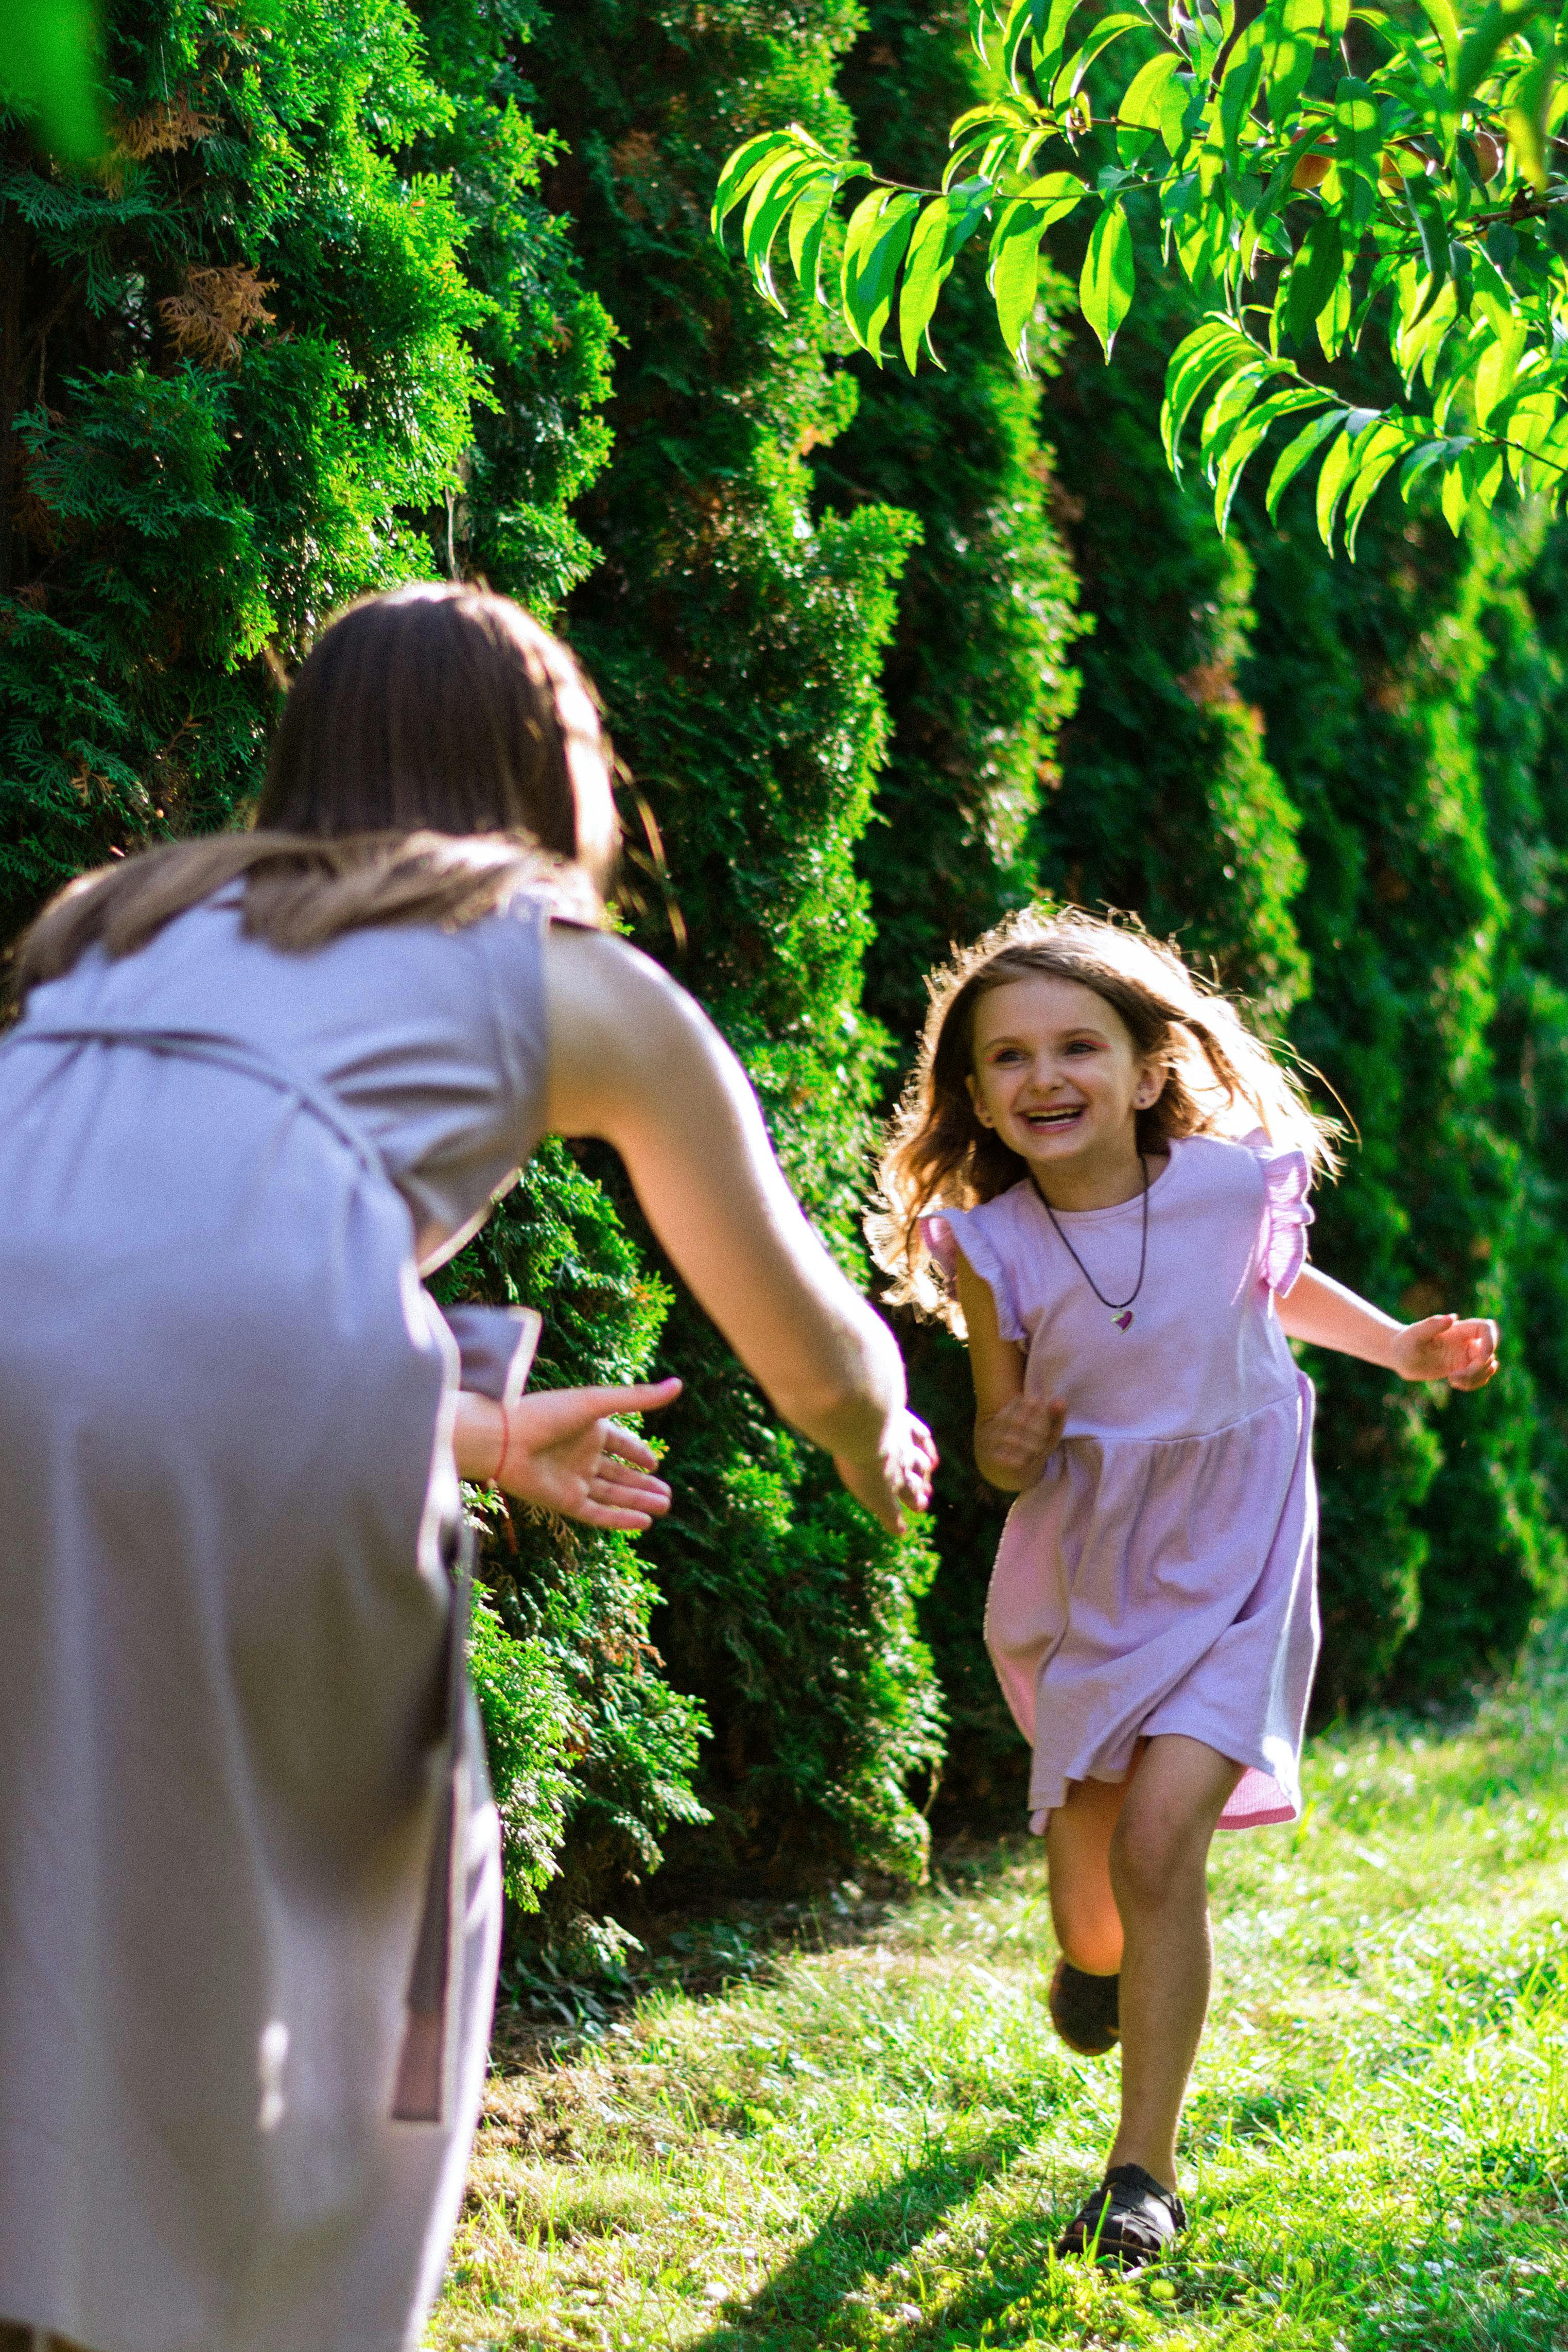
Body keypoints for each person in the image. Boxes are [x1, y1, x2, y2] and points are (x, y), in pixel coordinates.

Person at [0, 582, 935, 2352]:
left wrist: (487, 1433)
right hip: (234, 1418)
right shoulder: (554, 971)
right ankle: (221, 2305)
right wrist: (873, 1422)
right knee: (362, 1896)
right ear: (543, 768)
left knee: (42, 1836)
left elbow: (116, 1288)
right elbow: (800, 1321)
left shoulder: (115, 919)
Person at [868, 906, 1497, 2269]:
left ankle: (1141, 2169)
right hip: (1095, 1557)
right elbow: (995, 1433)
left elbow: (1279, 1292)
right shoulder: (995, 1247)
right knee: (1090, 1869)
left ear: (1150, 1067)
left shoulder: (1225, 1184)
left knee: (1162, 1845)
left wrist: (1400, 1346)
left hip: (1242, 1541)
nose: (1046, 1077)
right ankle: (1094, 1964)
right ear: (974, 1094)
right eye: (1010, 1058)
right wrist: (1007, 1439)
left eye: (1078, 1045)